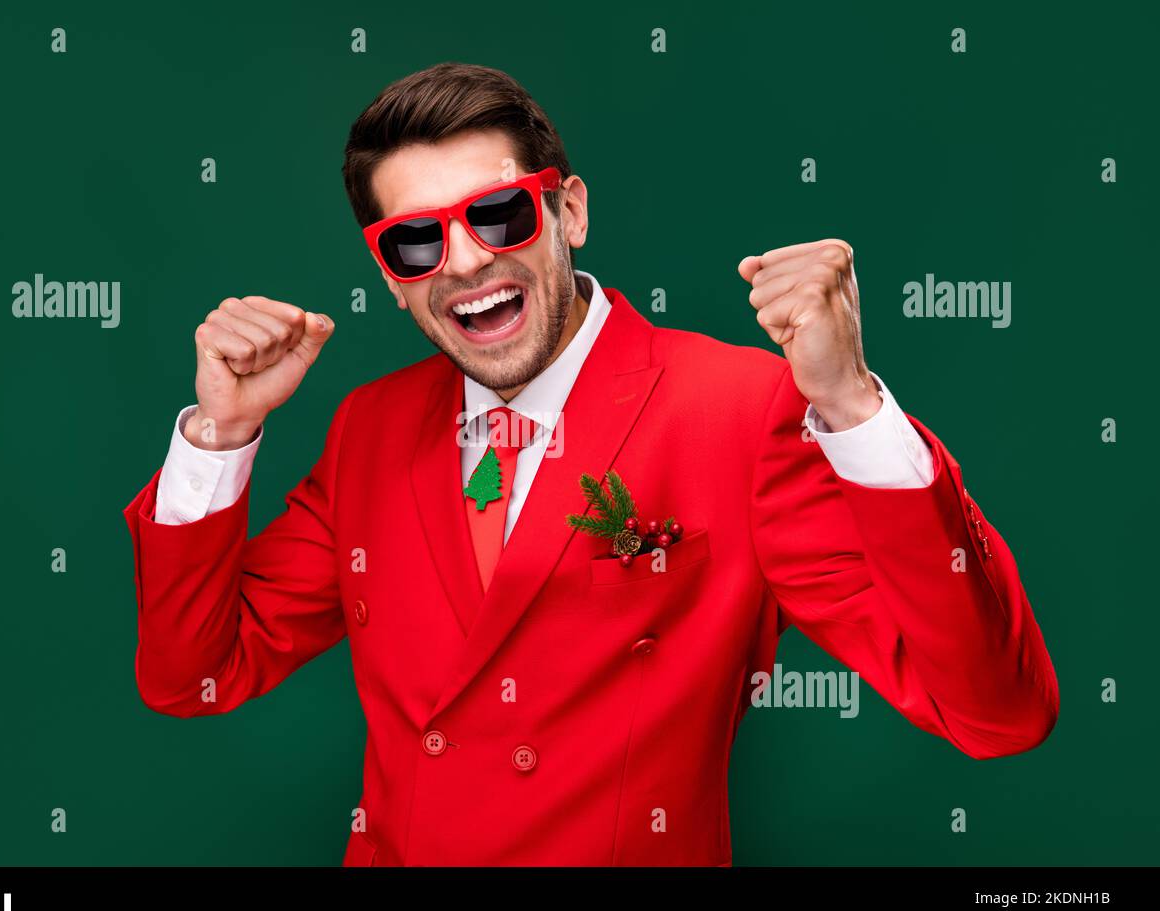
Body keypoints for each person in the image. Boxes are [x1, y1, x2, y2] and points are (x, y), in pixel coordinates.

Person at [123, 62, 1058, 866]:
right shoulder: (371, 427)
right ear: (390, 275)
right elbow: (193, 674)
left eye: (497, 216)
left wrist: (851, 404)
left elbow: (995, 712)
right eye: (416, 240)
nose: (462, 263)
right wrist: (220, 433)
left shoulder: (744, 409)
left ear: (568, 208)